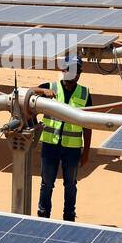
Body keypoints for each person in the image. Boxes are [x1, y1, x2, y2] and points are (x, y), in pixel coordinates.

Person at [34, 56, 91, 222]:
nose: (74, 74)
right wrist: (42, 92)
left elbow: (88, 125)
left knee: (71, 185)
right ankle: (43, 215)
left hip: (72, 149)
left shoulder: (85, 93)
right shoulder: (51, 87)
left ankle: (69, 217)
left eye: (78, 71)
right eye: (71, 70)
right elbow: (28, 91)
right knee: (46, 184)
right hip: (50, 146)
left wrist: (86, 151)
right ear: (63, 70)